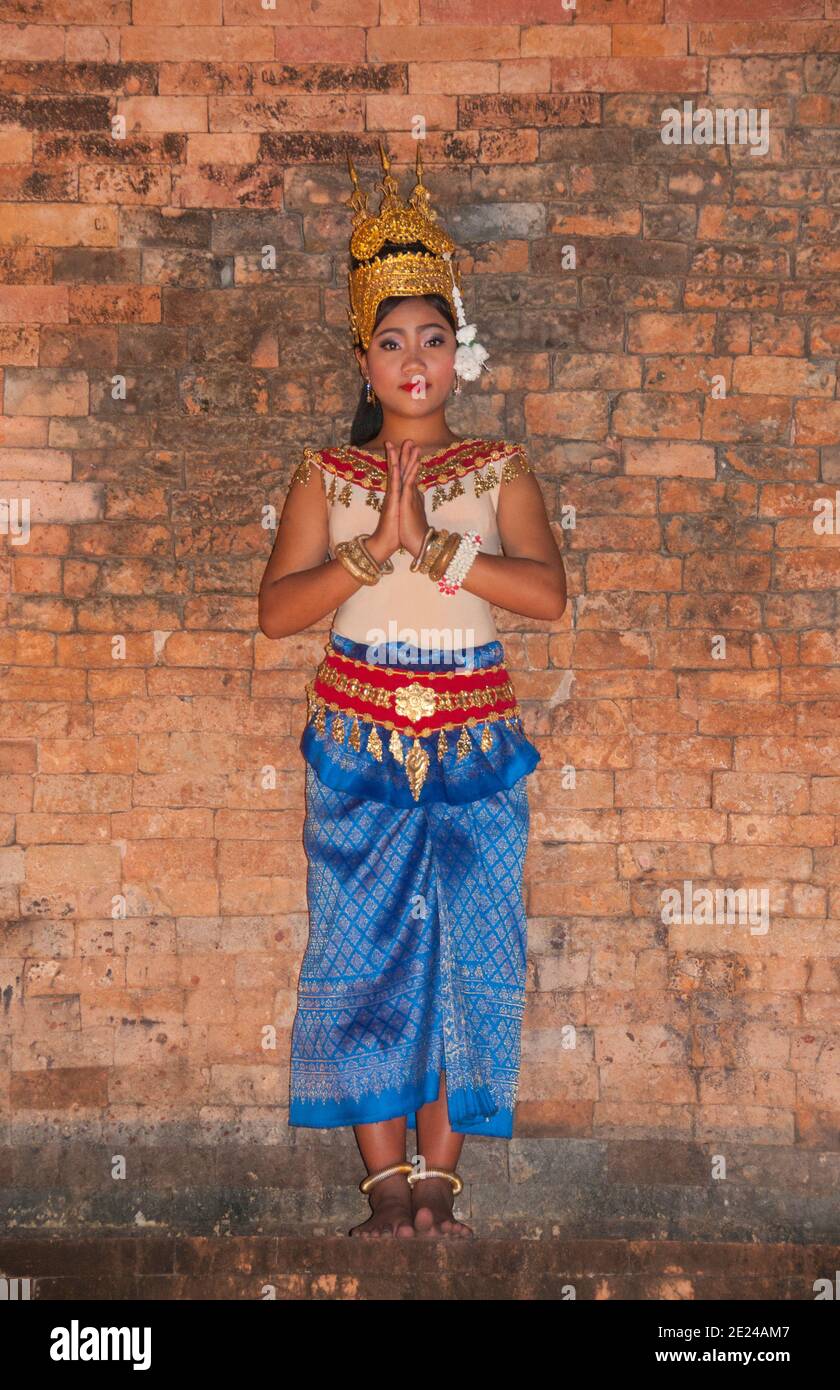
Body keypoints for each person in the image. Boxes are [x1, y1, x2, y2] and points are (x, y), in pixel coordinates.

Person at [258, 141, 567, 1239]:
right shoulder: (322, 475)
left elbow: (548, 595)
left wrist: (440, 551)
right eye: (392, 341)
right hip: (356, 743)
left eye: (432, 337)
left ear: (458, 351)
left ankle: (442, 1179)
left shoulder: (498, 471)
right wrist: (367, 552)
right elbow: (277, 610)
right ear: (364, 356)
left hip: (476, 742)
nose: (414, 358)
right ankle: (385, 1184)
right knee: (361, 952)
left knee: (467, 947)